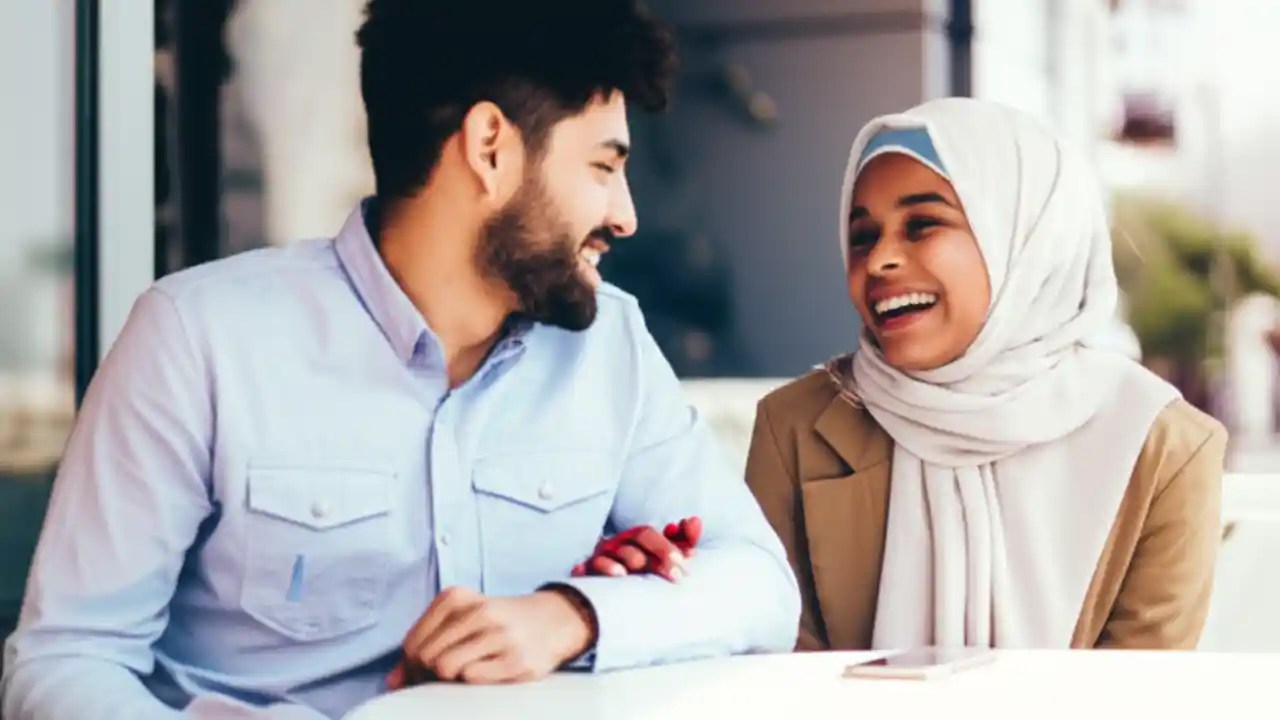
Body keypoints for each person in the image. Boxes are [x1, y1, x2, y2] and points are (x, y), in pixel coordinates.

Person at [0, 2, 800, 718]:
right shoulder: (197, 340)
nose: (623, 216)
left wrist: (571, 617)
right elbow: (64, 661)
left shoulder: (609, 348)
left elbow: (761, 587)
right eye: (602, 166)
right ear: (491, 147)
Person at [581, 98, 1226, 651]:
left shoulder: (1160, 445)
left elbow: (1141, 690)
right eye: (862, 236)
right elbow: (775, 662)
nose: (881, 259)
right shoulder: (800, 425)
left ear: (1025, 241)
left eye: (923, 225)